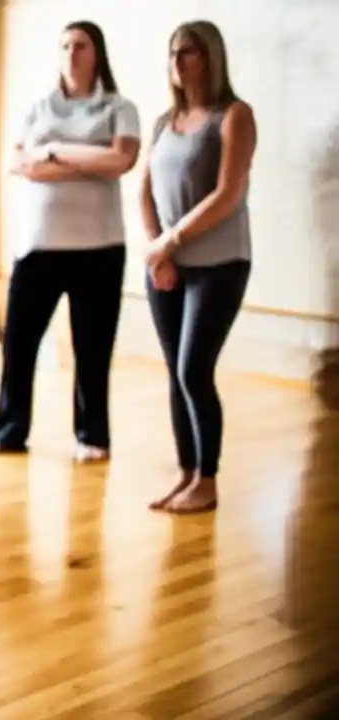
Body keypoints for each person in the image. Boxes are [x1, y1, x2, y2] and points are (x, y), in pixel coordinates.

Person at [0, 20, 140, 462]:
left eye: (81, 45)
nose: (72, 52)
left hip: (99, 248)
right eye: (65, 45)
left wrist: (51, 153)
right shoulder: (38, 109)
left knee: (92, 348)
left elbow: (120, 159)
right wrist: (83, 159)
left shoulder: (118, 108)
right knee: (19, 343)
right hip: (38, 246)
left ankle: (92, 436)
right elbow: (17, 162)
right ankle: (9, 430)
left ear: (97, 52)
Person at [141, 20, 256, 515]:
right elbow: (143, 190)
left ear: (210, 57)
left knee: (194, 369)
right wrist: (156, 250)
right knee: (175, 372)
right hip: (168, 266)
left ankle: (207, 480)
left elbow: (228, 194)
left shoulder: (234, 115)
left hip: (219, 263)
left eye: (188, 51)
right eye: (173, 52)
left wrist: (172, 241)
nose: (177, 61)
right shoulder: (165, 121)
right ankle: (185, 473)